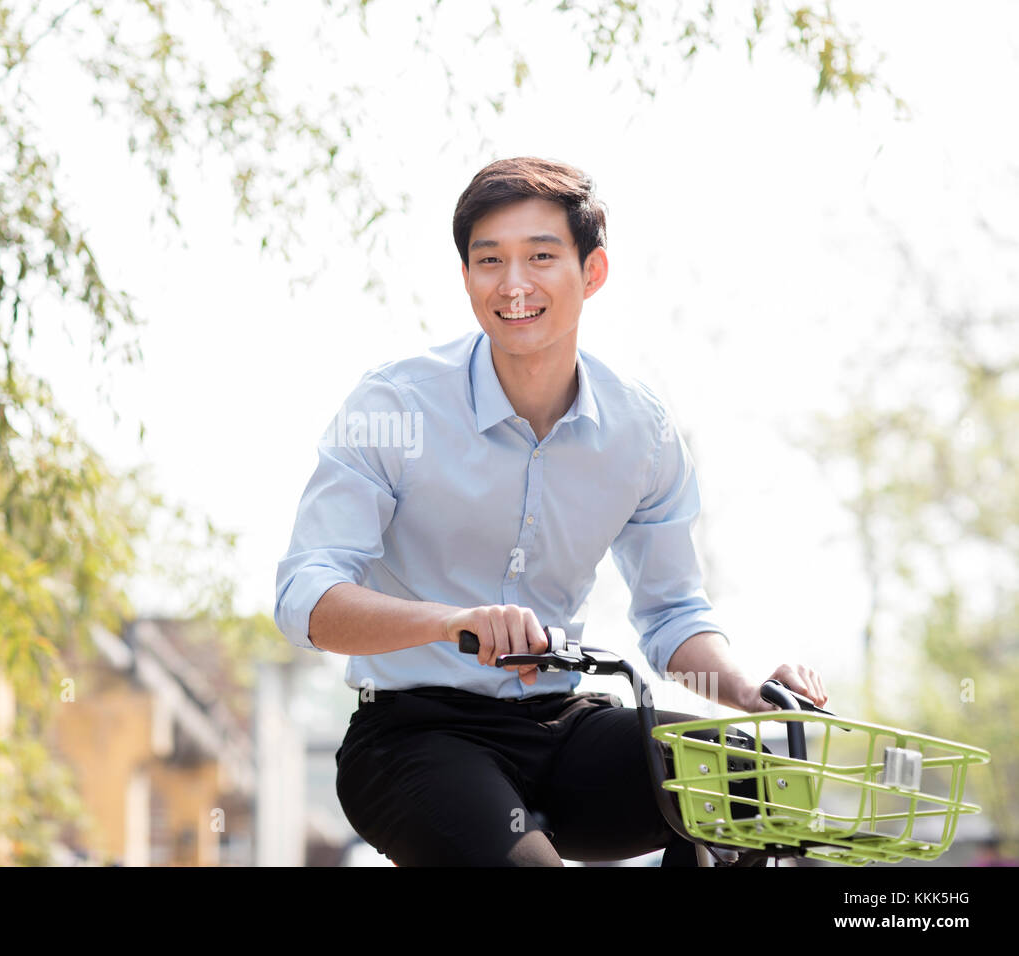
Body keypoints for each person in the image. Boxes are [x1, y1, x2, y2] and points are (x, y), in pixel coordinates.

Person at [274, 156, 828, 866]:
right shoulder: (395, 408)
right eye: (489, 261)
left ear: (592, 272)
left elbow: (672, 614)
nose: (513, 286)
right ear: (467, 276)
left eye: (540, 257)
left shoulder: (641, 430)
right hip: (413, 739)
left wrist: (751, 691)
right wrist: (453, 623)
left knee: (751, 783)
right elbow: (305, 597)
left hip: (563, 730)